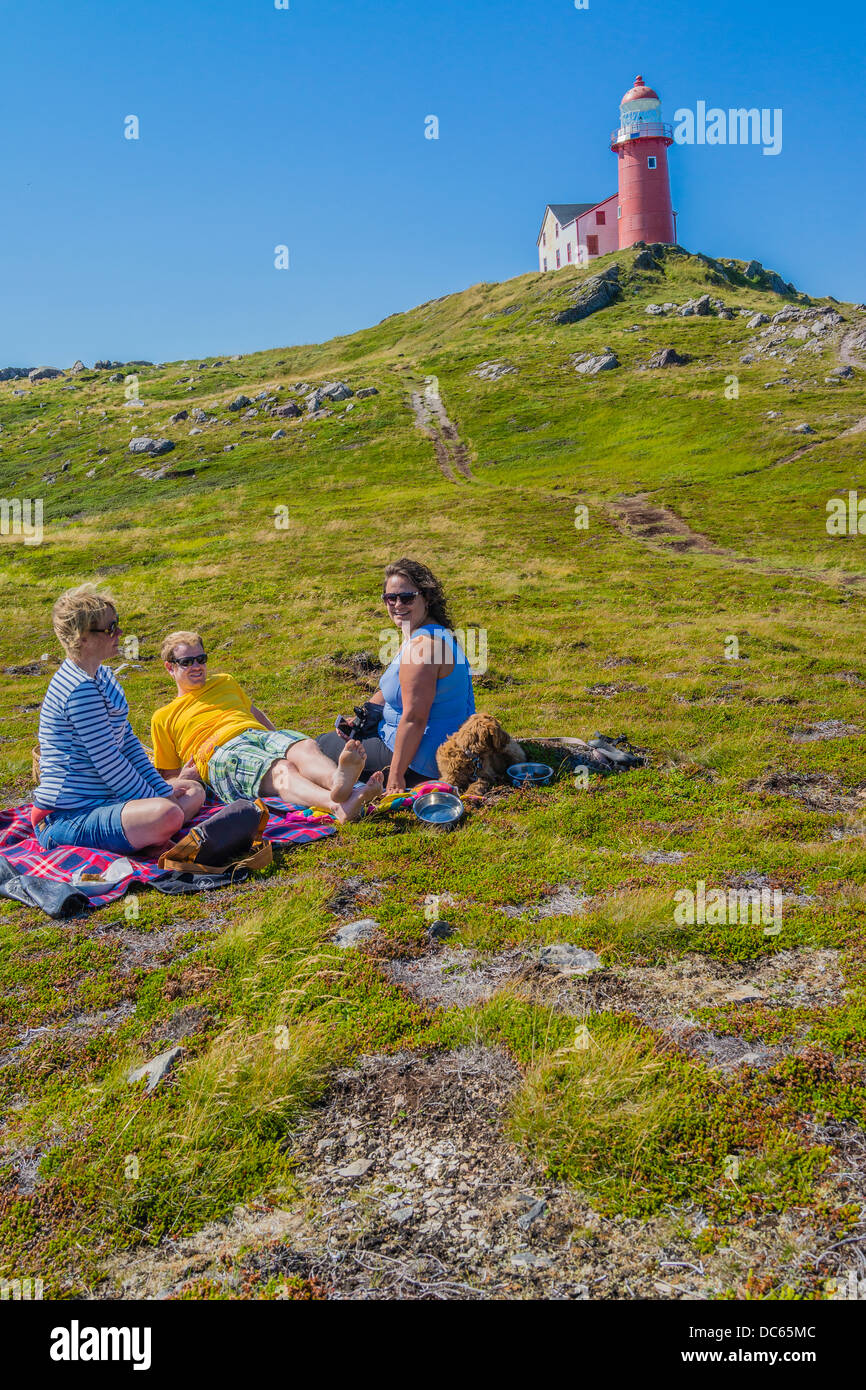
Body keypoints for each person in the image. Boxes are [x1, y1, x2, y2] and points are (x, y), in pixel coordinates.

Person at [32, 586, 205, 855]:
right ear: (83, 638)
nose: (120, 633)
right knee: (168, 814)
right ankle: (149, 836)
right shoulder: (79, 690)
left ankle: (146, 837)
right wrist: (159, 800)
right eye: (111, 628)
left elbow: (128, 744)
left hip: (109, 801)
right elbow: (110, 763)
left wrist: (162, 790)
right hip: (66, 818)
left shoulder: (103, 676)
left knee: (192, 791)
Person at [151, 632, 382, 821]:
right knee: (281, 768)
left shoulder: (225, 681)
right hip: (219, 751)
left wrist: (283, 740)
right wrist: (186, 776)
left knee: (305, 747)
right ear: (170, 668)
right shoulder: (163, 717)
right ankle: (336, 805)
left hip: (255, 733)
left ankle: (338, 783)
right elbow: (168, 779)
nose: (197, 666)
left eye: (201, 659)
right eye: (186, 662)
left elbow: (253, 712)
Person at [317, 559, 475, 793]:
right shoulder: (432, 633)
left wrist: (397, 776)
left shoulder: (422, 648)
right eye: (391, 598)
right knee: (336, 744)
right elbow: (394, 686)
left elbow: (415, 719)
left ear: (427, 598)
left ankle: (343, 793)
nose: (398, 604)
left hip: (422, 761)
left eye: (407, 597)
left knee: (319, 746)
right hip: (435, 748)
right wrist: (363, 718)